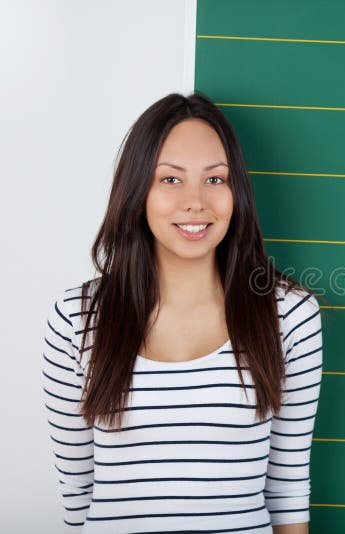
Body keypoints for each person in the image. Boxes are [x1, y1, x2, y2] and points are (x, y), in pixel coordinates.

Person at [40, 92, 323, 533]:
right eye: (170, 180)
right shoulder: (76, 319)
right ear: (138, 191)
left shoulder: (291, 315)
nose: (196, 202)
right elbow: (78, 495)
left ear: (237, 192)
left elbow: (287, 491)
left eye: (215, 180)